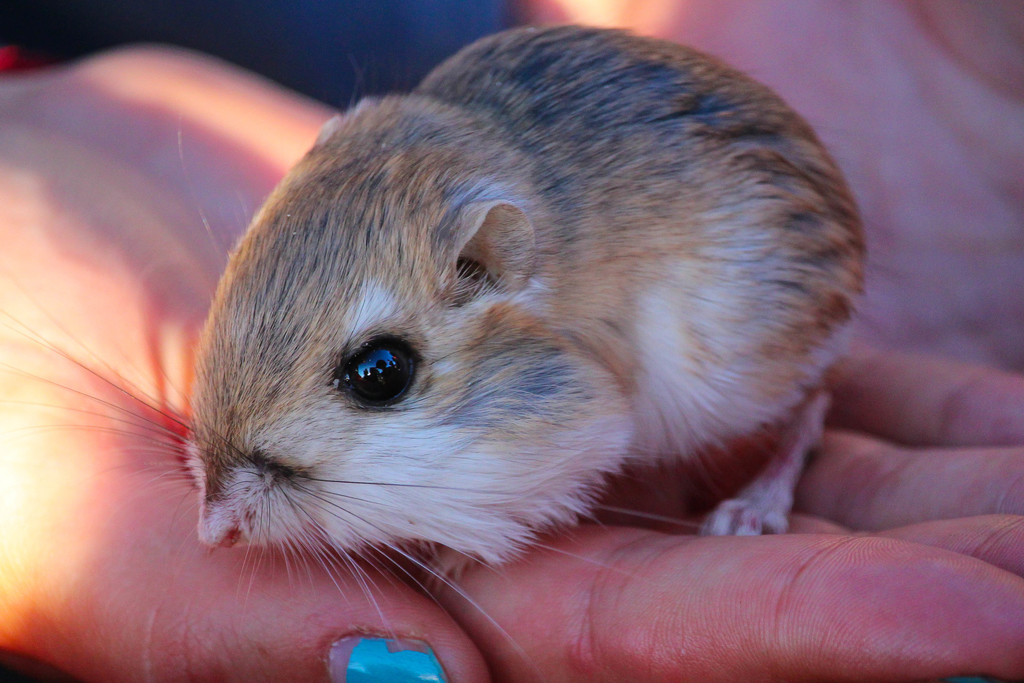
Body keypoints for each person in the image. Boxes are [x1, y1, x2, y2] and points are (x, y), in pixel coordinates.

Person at [0, 1, 1021, 680]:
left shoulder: (495, 259)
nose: (218, 522)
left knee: (716, 382)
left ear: (490, 263)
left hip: (730, 227)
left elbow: (583, 429)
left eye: (376, 372)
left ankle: (797, 433)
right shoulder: (396, 188)